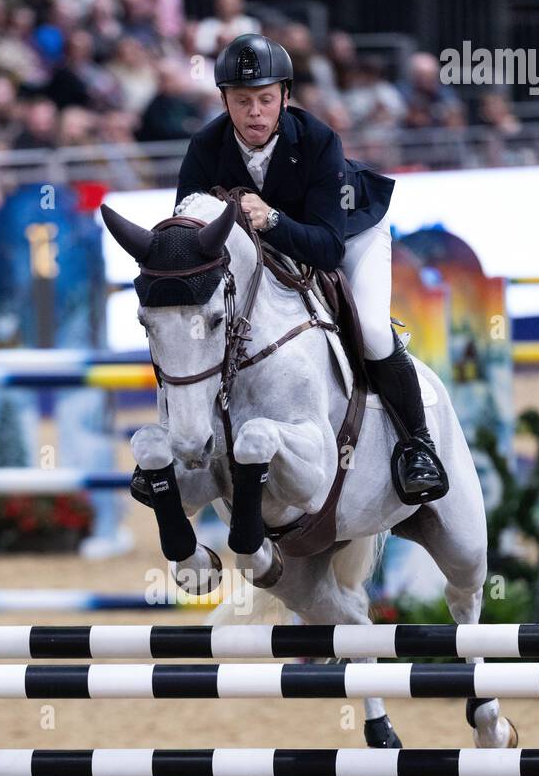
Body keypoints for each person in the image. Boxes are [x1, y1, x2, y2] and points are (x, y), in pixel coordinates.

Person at [175, 33, 446, 501]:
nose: (255, 112)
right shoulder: (205, 146)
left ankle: (416, 445)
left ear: (285, 95)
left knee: (376, 333)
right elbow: (190, 235)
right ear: (224, 100)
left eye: (265, 99)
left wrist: (272, 219)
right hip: (269, 249)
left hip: (346, 233)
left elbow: (325, 248)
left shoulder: (320, 141)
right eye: (242, 101)